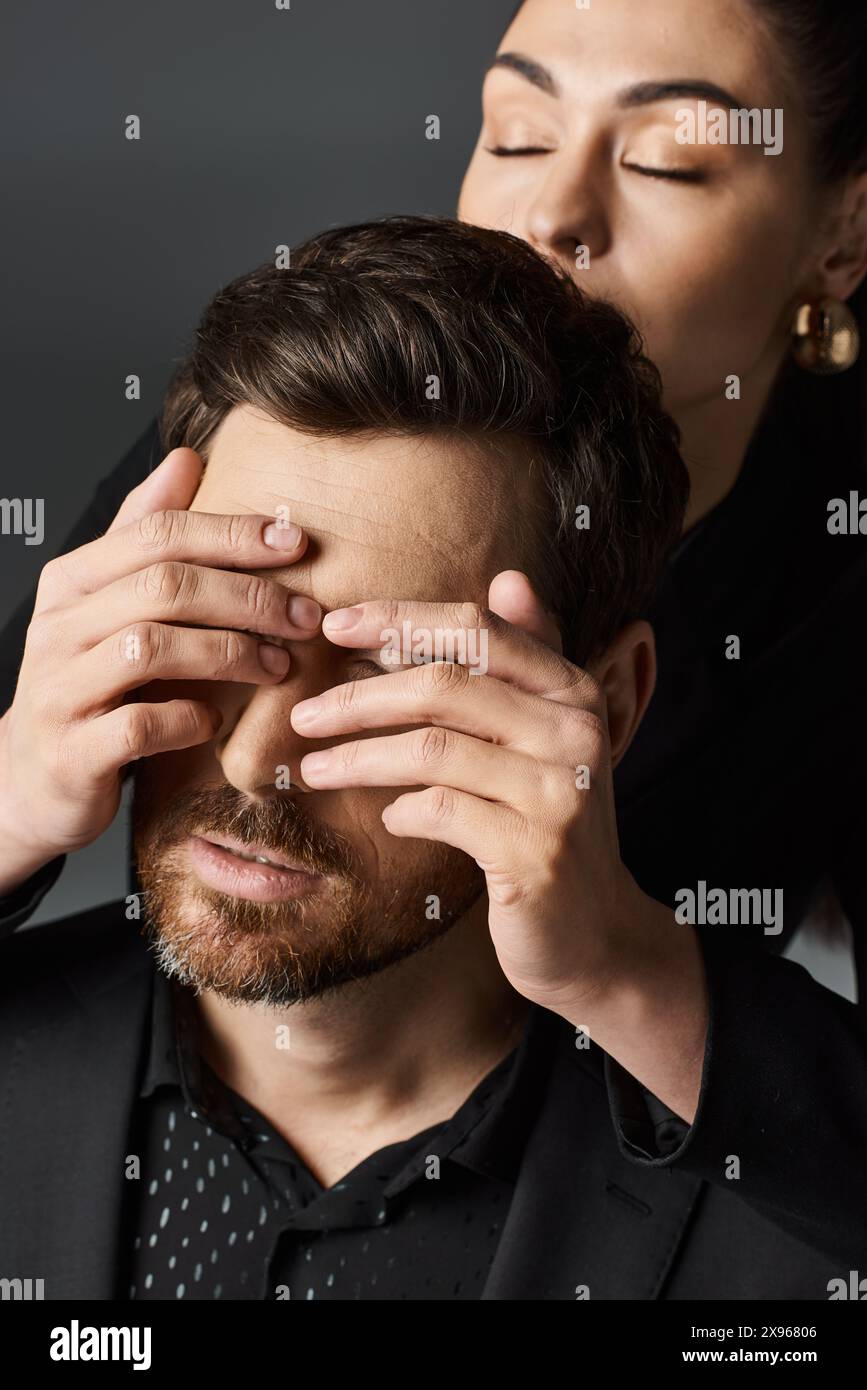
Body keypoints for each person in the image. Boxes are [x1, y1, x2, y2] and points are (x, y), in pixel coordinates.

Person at [1, 0, 866, 1276]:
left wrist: (625, 966)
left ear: (844, 233)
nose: (552, 211)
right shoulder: (272, 439)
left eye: (669, 159)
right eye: (514, 133)